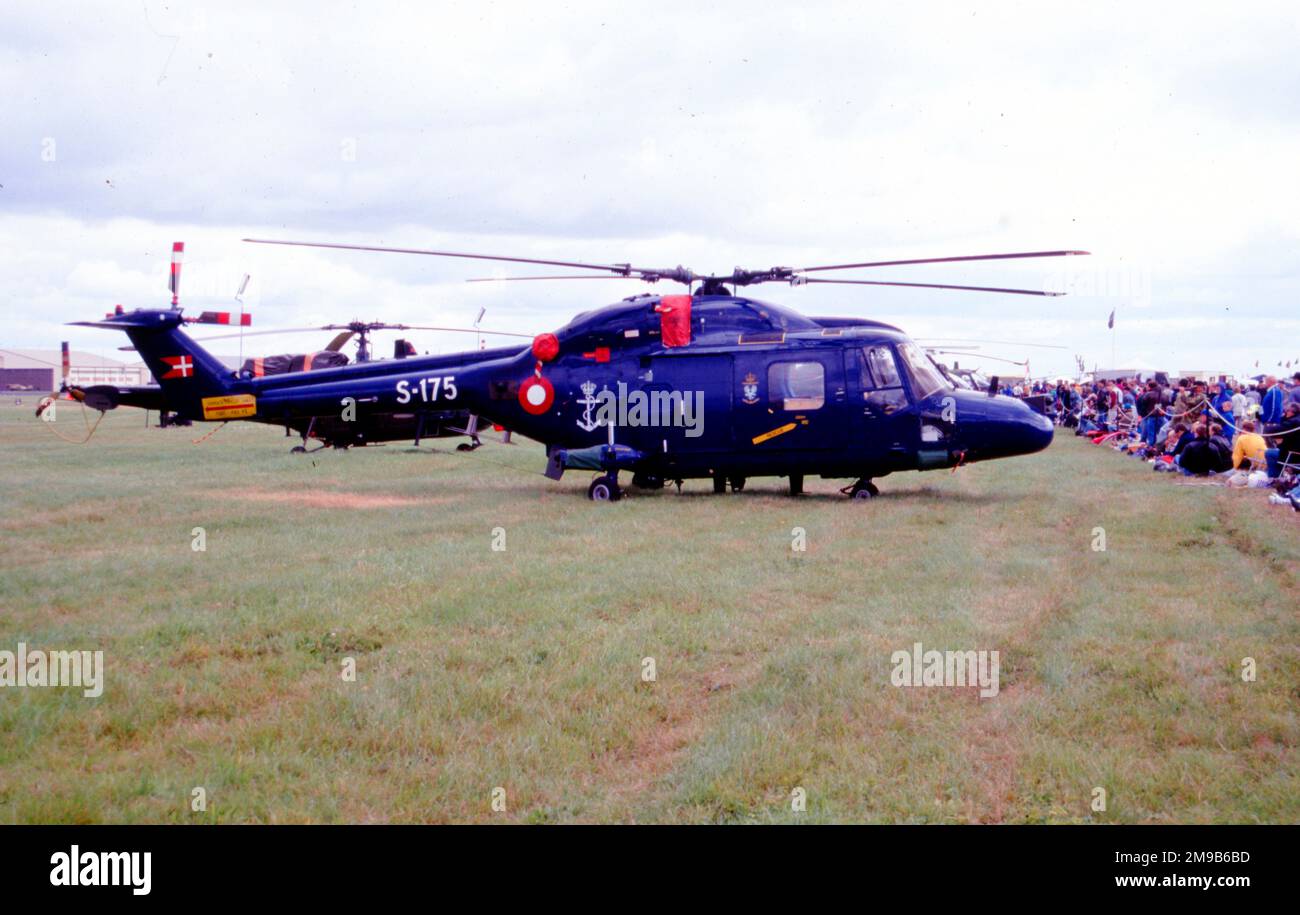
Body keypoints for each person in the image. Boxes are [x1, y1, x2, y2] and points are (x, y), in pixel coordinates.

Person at [1137, 380, 1163, 447]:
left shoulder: (1148, 394)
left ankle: (1151, 446)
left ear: (1149, 386)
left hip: (1151, 415)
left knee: (1151, 432)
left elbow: (1144, 403)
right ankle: (1157, 445)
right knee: (1158, 432)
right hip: (1161, 415)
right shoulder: (1162, 394)